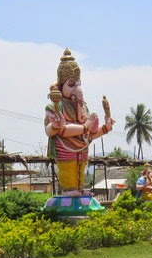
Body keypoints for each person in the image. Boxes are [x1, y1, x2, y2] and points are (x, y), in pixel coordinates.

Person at [44, 48, 114, 195]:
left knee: (81, 168)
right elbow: (52, 130)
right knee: (68, 170)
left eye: (78, 84)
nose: (76, 88)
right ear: (61, 84)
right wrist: (56, 126)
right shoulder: (56, 105)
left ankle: (80, 189)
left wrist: (105, 128)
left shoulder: (82, 107)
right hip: (65, 149)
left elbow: (89, 135)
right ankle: (69, 190)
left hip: (82, 149)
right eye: (71, 85)